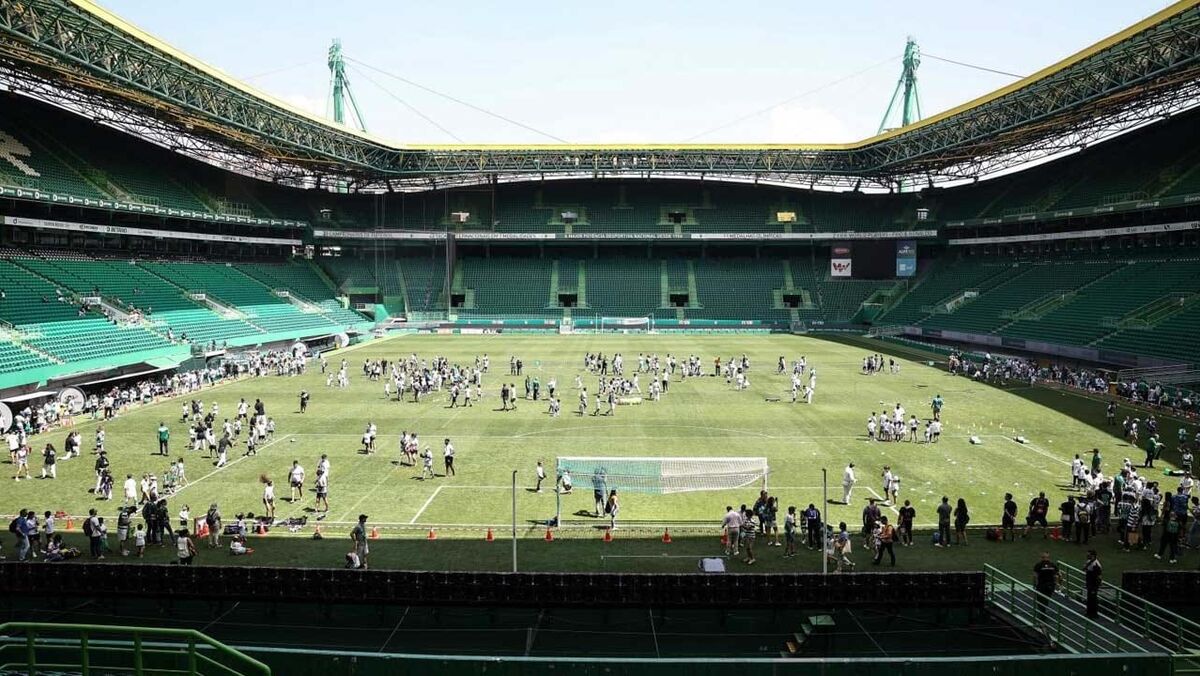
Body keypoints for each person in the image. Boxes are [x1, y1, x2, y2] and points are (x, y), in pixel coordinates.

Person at [1032, 553, 1061, 624]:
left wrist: (1034, 584)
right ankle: (1043, 610)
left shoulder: (1038, 565)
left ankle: (1042, 612)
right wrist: (1058, 584)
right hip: (1050, 585)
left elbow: (1035, 575)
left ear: (1042, 558)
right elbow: (1058, 575)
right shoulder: (1053, 565)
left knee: (1040, 598)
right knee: (1047, 598)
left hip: (1042, 585)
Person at [1083, 550, 1102, 618]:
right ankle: (1089, 612)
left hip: (1093, 584)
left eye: (1089, 555)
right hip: (1089, 583)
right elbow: (1084, 569)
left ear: (1093, 556)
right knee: (1089, 598)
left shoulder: (1096, 565)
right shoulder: (1089, 562)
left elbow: (1098, 577)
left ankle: (1094, 614)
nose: (1087, 556)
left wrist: (1095, 587)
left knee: (1093, 599)